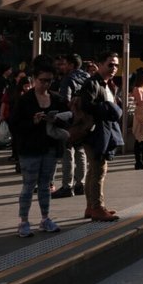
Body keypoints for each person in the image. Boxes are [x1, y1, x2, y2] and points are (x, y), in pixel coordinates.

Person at [12, 60, 64, 238]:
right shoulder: (25, 100)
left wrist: (55, 120)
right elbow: (15, 124)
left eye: (49, 81)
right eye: (42, 80)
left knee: (46, 185)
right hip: (29, 148)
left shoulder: (57, 98)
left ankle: (45, 218)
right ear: (34, 79)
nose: (46, 84)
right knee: (28, 185)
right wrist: (32, 122)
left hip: (49, 147)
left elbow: (66, 119)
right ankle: (23, 221)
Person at [75, 53, 125, 222]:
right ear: (100, 64)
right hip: (94, 133)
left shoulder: (108, 84)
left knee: (94, 169)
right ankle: (97, 207)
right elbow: (88, 106)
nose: (114, 68)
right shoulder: (92, 83)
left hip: (103, 131)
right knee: (98, 169)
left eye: (116, 65)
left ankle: (91, 206)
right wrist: (109, 108)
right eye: (110, 64)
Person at [53, 54, 89, 199]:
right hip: (84, 119)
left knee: (68, 152)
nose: (62, 66)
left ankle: (67, 186)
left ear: (72, 65)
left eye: (65, 63)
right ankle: (81, 184)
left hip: (70, 119)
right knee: (81, 151)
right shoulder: (86, 76)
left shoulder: (68, 79)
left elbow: (65, 100)